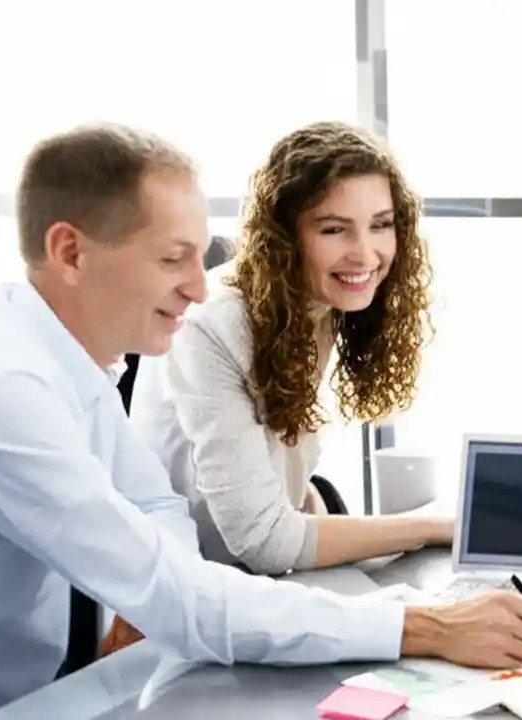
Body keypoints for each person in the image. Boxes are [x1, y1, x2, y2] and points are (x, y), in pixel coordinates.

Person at [0, 123, 522, 720]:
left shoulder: (62, 358)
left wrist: (160, 596)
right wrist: (424, 624)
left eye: (200, 257)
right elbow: (185, 596)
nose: (202, 288)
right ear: (72, 252)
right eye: (173, 259)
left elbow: (154, 507)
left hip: (40, 693)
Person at [128, 121, 449, 578]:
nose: (366, 253)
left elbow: (282, 479)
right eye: (335, 229)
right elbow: (263, 542)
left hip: (259, 579)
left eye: (381, 225)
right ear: (285, 237)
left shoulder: (319, 303)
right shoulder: (211, 326)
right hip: (194, 588)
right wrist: (431, 527)